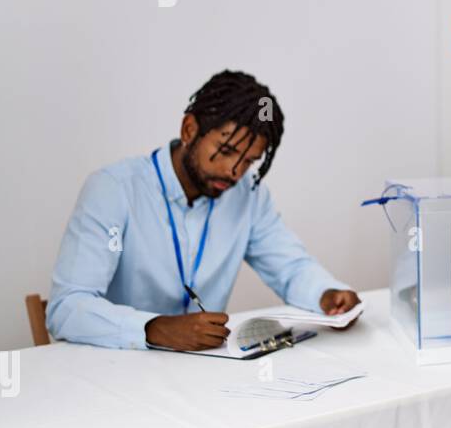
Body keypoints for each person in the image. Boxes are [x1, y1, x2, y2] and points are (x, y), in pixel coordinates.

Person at [46, 70, 360, 351]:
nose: (234, 172)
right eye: (225, 151)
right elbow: (67, 308)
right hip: (116, 374)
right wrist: (154, 328)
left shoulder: (247, 195)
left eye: (249, 161)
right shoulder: (113, 189)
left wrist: (326, 294)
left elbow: (291, 268)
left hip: (202, 375)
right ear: (189, 129)